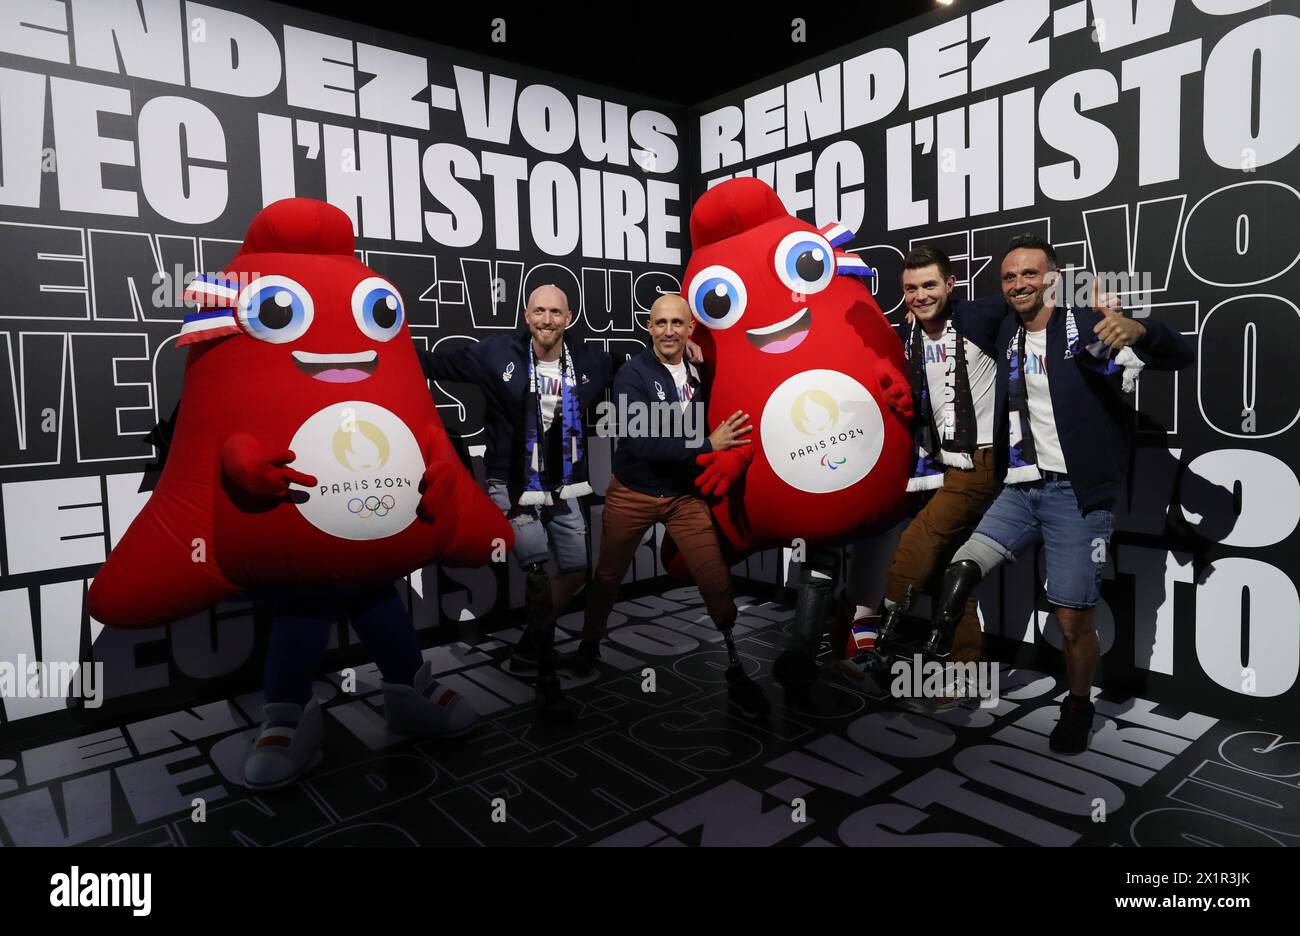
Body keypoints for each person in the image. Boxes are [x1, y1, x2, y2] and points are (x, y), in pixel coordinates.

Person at [924, 234, 1194, 752]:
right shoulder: (1003, 325)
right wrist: (920, 300)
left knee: (1071, 617)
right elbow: (940, 303)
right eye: (1009, 276)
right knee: (960, 567)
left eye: (1030, 274)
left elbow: (1179, 352)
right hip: (1020, 489)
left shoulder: (1087, 325)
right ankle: (949, 662)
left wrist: (1138, 327)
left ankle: (1078, 703)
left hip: (1076, 496)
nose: (1019, 284)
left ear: (1052, 278)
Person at [418, 285, 699, 722]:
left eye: (555, 312)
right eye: (538, 311)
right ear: (526, 315)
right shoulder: (493, 355)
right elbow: (428, 362)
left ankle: (530, 644)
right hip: (510, 484)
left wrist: (685, 349)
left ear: (568, 317)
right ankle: (547, 690)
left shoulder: (590, 361)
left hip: (564, 485)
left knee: (573, 572)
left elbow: (636, 365)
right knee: (535, 575)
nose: (546, 320)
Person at [562, 294, 770, 716]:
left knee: (713, 576)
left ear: (691, 328)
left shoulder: (701, 369)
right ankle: (589, 645)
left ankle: (734, 663)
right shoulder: (632, 373)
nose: (669, 331)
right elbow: (642, 442)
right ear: (649, 326)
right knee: (607, 576)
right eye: (661, 323)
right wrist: (708, 443)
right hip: (634, 492)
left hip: (682, 496)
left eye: (678, 323)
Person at [836, 246, 1007, 705]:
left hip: (981, 460)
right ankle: (967, 672)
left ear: (951, 285)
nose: (920, 295)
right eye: (911, 288)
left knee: (917, 544)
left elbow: (1033, 305)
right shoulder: (906, 337)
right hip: (937, 465)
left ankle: (880, 648)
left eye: (930, 285)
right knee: (948, 570)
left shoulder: (980, 317)